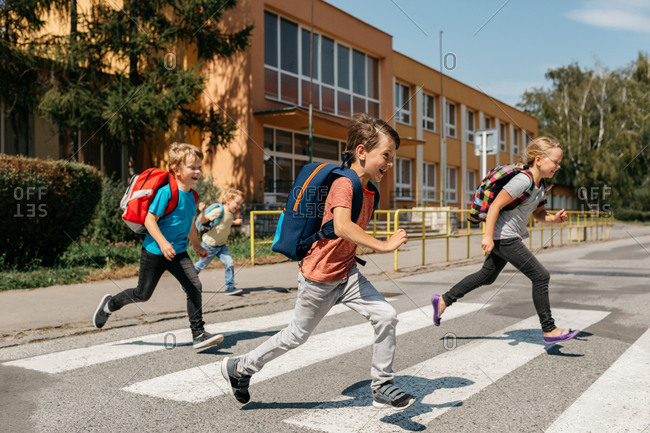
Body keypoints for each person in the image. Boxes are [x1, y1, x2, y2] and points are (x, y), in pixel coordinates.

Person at [221, 114, 416, 411]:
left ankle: (382, 385)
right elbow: (341, 226)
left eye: (392, 158)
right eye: (386, 156)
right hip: (320, 276)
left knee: (386, 316)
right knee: (295, 336)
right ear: (362, 152)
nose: (389, 164)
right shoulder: (343, 184)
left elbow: (348, 235)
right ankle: (241, 367)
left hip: (347, 273)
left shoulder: (369, 190)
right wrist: (384, 245)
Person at [431, 137, 578, 346]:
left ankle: (444, 300)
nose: (558, 165)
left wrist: (555, 219)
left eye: (558, 162)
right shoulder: (522, 181)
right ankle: (549, 329)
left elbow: (539, 214)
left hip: (508, 236)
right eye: (555, 161)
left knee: (487, 276)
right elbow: (495, 206)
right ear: (538, 159)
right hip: (504, 236)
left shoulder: (541, 186)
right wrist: (488, 236)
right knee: (541, 276)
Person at [93, 143, 224, 351]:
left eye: (199, 167)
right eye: (192, 167)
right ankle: (111, 304)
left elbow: (190, 223)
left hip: (178, 252)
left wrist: (197, 245)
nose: (198, 171)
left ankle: (198, 334)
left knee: (194, 287)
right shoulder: (166, 192)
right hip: (154, 251)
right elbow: (149, 220)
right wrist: (163, 243)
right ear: (176, 169)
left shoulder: (193, 196)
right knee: (142, 294)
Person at [193, 188, 244, 295]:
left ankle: (229, 288)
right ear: (228, 200)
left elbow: (225, 222)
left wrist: (235, 222)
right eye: (237, 203)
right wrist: (202, 211)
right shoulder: (219, 210)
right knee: (200, 266)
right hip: (209, 245)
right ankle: (186, 282)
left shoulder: (231, 212)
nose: (238, 207)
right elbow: (203, 220)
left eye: (240, 204)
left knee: (229, 263)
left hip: (221, 245)